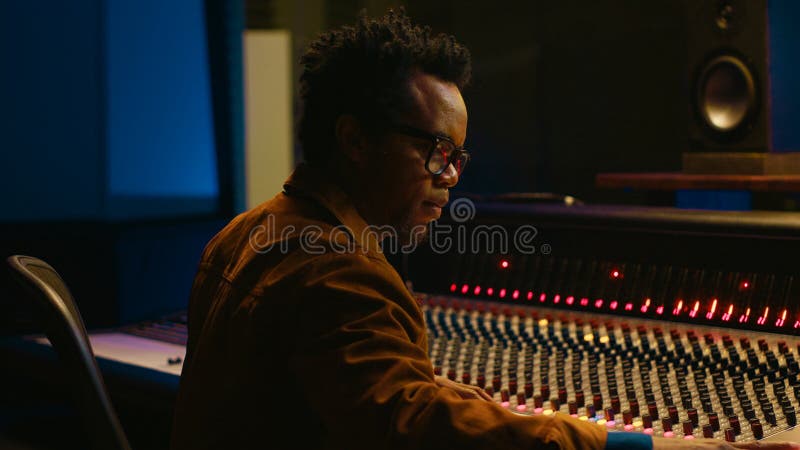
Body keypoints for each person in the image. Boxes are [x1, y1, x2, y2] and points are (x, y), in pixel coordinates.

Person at [170, 9, 799, 450]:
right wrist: (625, 443)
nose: (450, 178)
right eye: (435, 150)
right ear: (354, 139)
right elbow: (411, 425)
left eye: (458, 157)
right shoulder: (338, 271)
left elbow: (366, 391)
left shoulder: (247, 232)